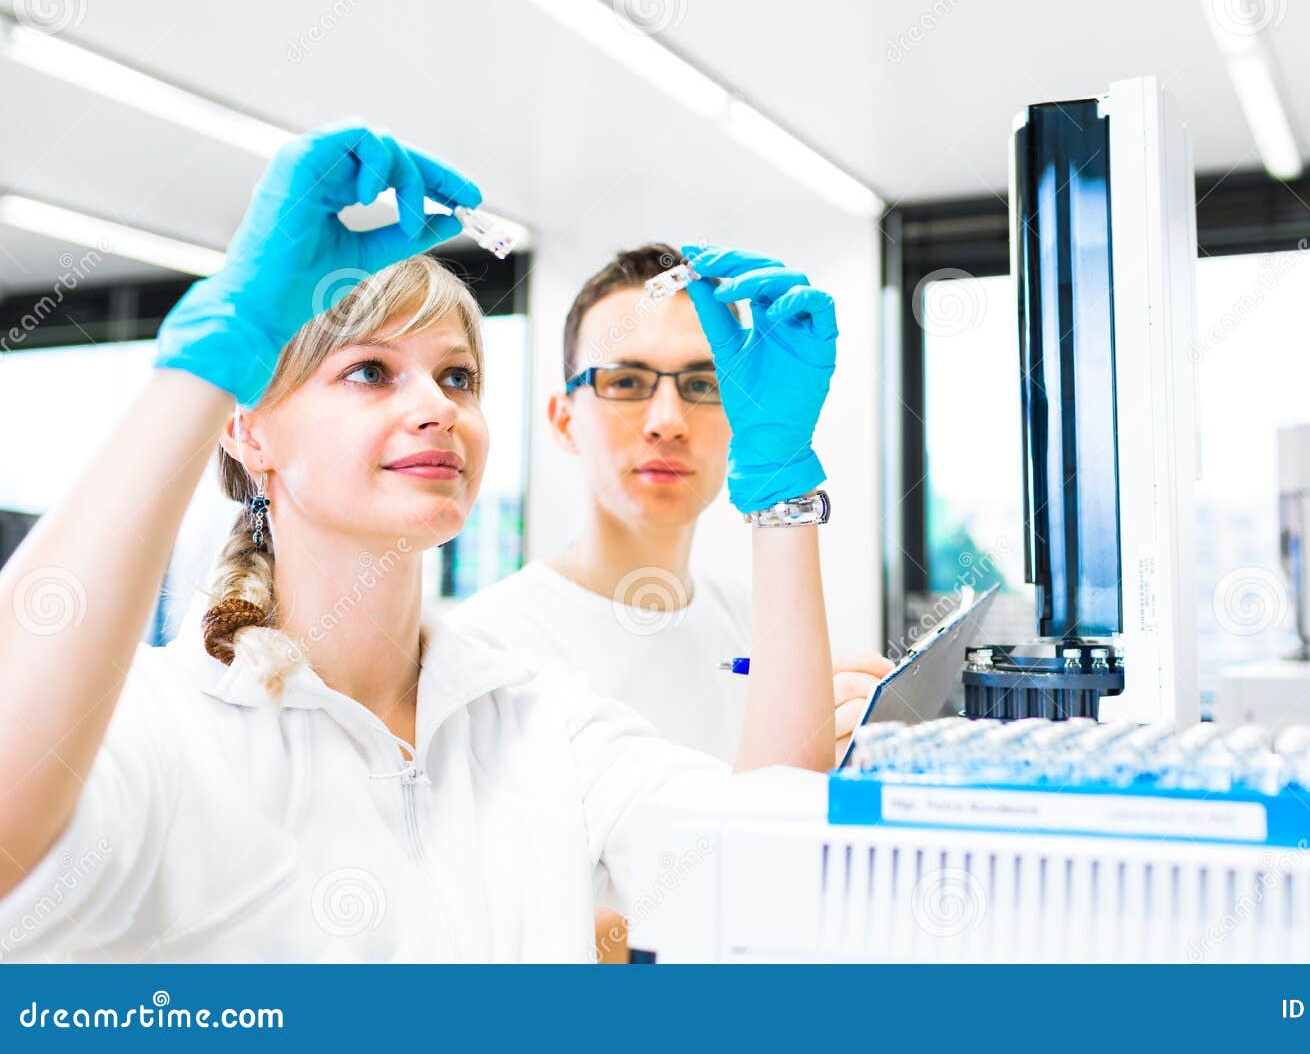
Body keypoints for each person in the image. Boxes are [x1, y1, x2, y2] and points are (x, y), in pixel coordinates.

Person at [0, 123, 839, 961]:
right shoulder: (171, 728)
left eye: (458, 376)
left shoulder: (538, 720)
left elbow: (767, 874)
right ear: (249, 430)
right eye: (370, 372)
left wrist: (780, 496)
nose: (437, 406)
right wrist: (207, 361)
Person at [449, 245, 894, 771]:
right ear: (565, 422)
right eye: (627, 382)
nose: (667, 421)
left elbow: (779, 822)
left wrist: (837, 757)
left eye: (703, 385)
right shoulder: (485, 649)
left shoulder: (757, 619)